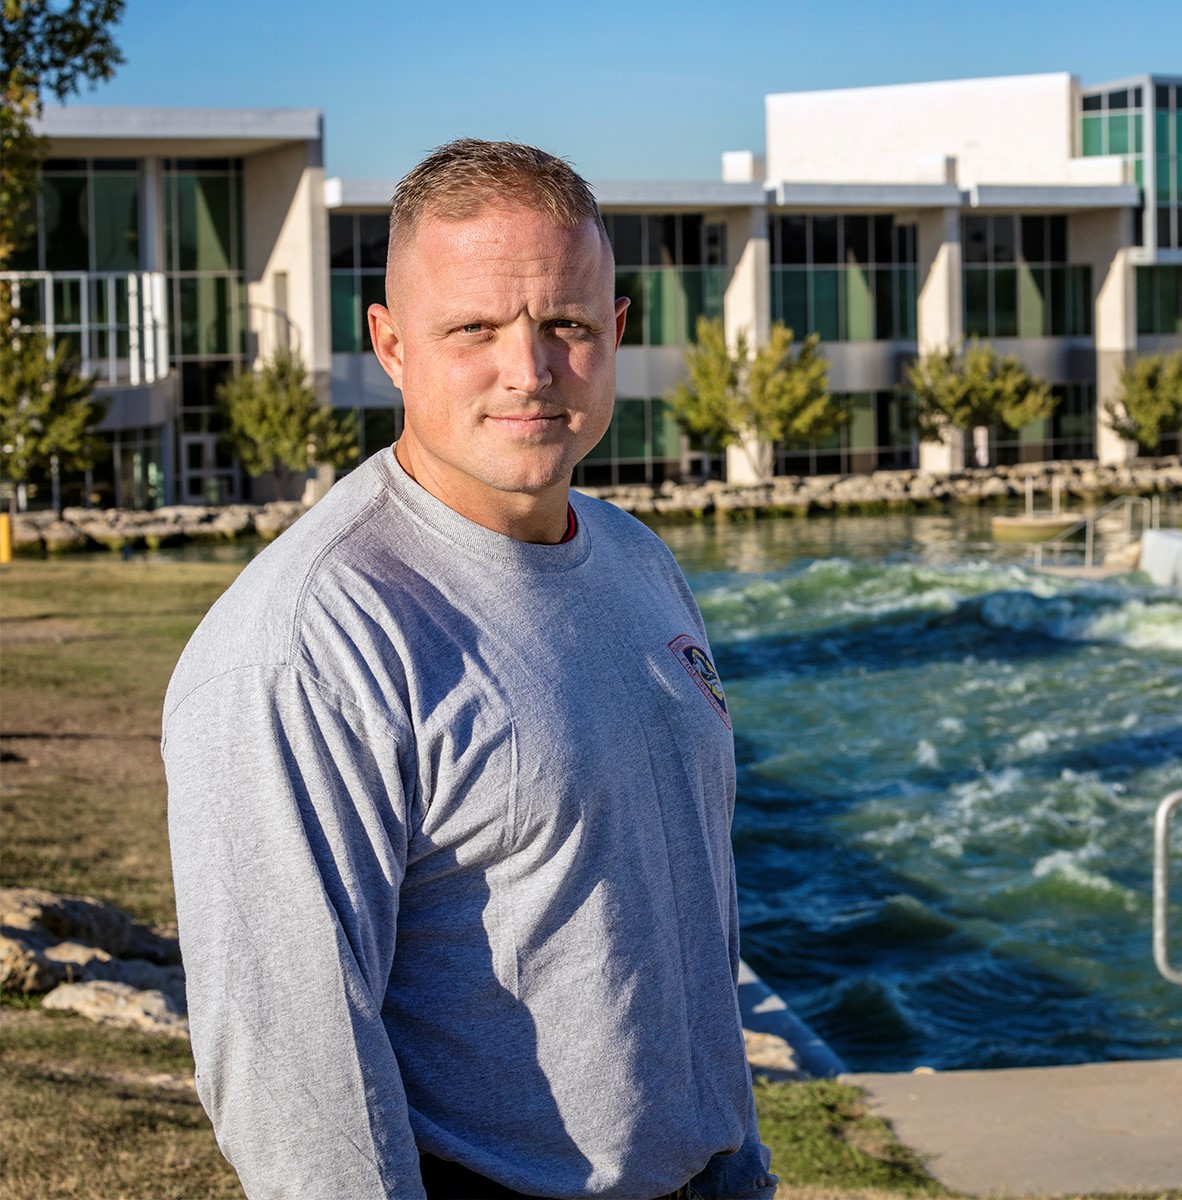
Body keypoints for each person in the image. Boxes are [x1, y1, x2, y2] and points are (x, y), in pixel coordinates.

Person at [163, 139, 775, 1200]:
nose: (529, 371)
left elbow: (688, 907)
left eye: (566, 325)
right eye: (474, 331)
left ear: (617, 331)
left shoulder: (635, 560)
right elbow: (294, 1077)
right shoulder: (310, 644)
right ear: (392, 346)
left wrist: (743, 1163)